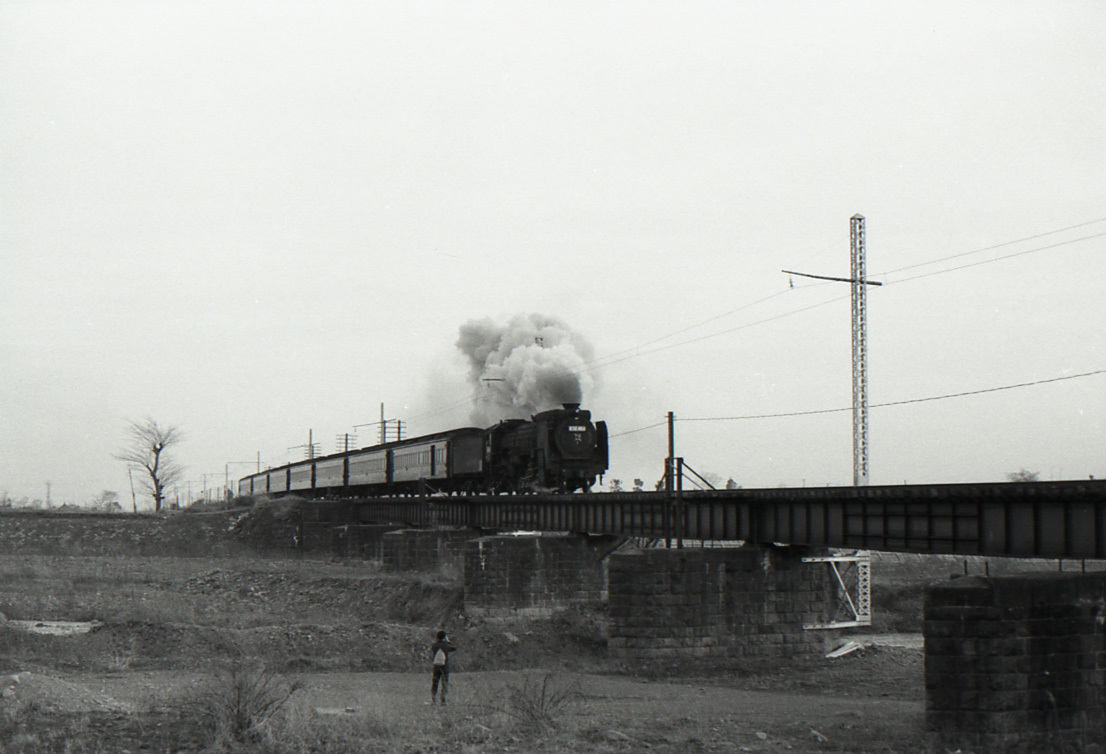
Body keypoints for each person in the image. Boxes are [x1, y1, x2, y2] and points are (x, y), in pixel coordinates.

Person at [429, 629, 457, 705]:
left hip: (436, 666)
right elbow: (454, 648)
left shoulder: (434, 645)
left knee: (435, 682)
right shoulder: (446, 645)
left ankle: (433, 699)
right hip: (444, 667)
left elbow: (433, 649)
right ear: (445, 637)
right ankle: (443, 700)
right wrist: (448, 641)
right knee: (444, 683)